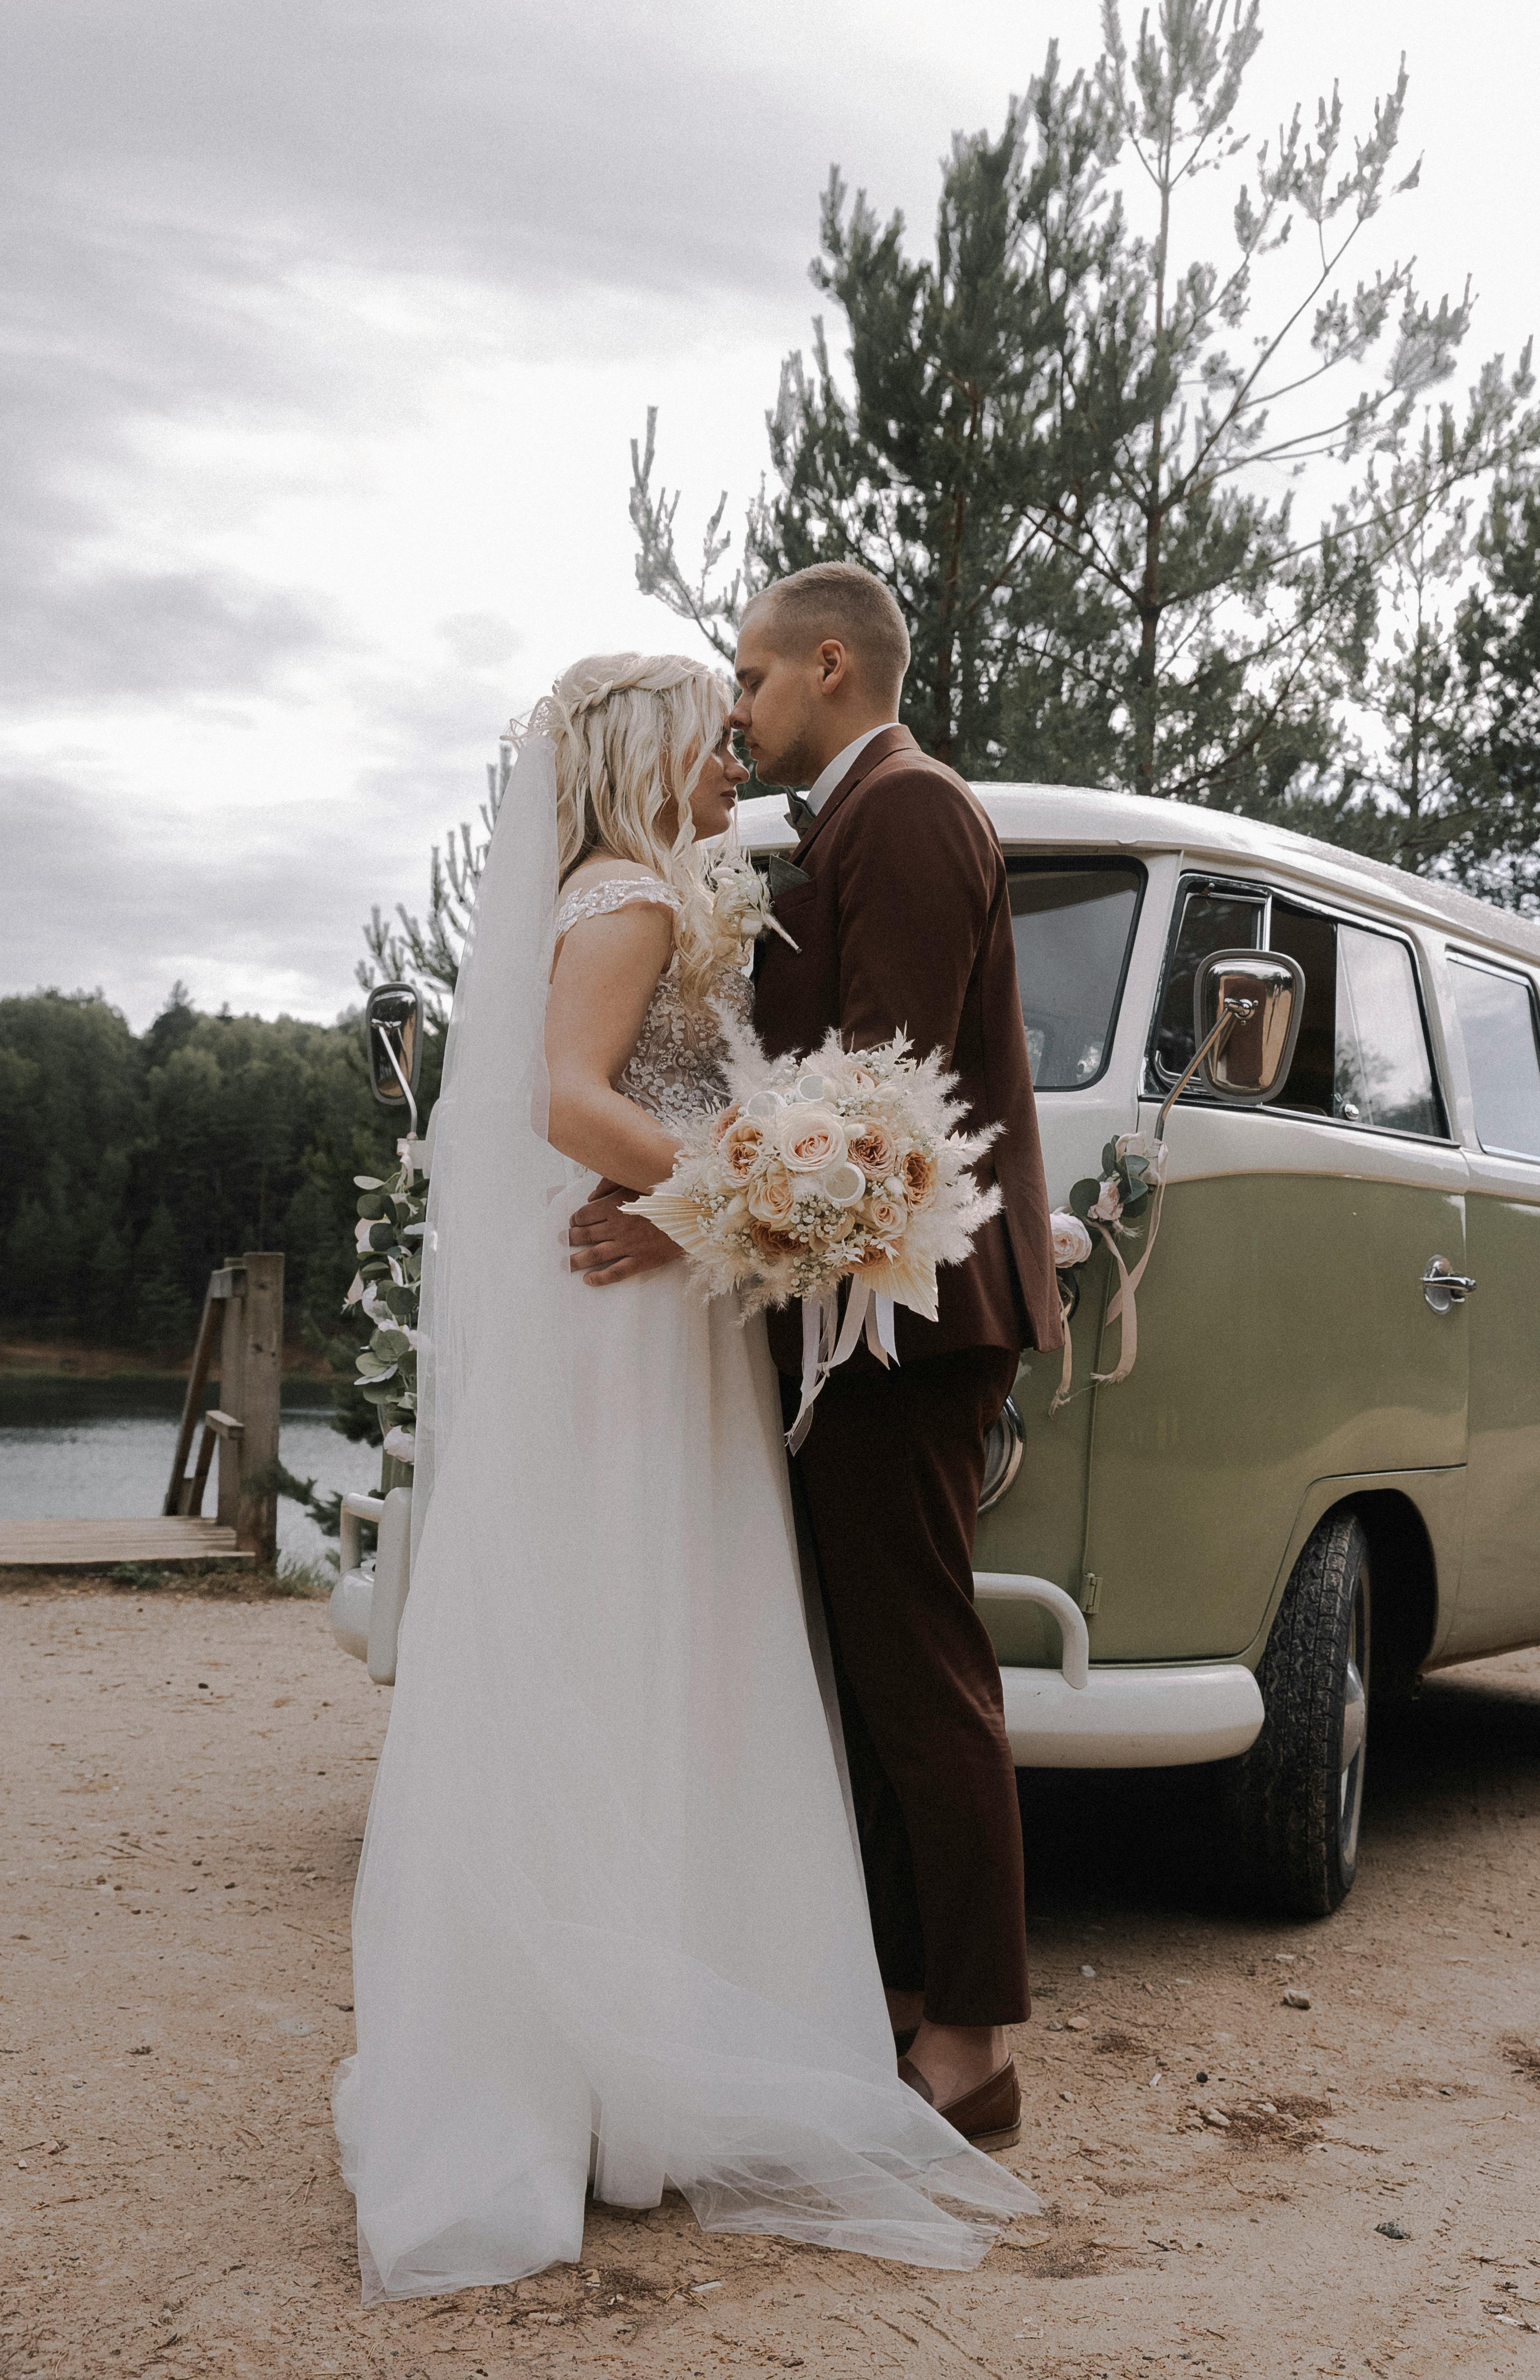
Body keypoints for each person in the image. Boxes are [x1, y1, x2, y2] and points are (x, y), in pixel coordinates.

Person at [335, 651, 1035, 2304]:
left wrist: (728, 1198)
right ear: (645, 749)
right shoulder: (626, 891)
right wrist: (745, 1186)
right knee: (628, 1640)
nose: (733, 761)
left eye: (742, 727)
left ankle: (665, 2030)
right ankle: (589, 2066)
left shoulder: (676, 887)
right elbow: (568, 1098)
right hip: (632, 1339)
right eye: (709, 740)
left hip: (679, 1319)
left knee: (682, 1657)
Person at [571, 570, 1063, 2147]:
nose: (738, 709)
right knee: (876, 1663)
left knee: (921, 1667)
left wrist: (689, 1213)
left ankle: (975, 2042)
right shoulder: (846, 824)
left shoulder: (909, 813)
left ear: (828, 667)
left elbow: (879, 1100)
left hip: (907, 1321)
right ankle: (913, 2005)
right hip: (852, 1305)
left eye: (753, 678)